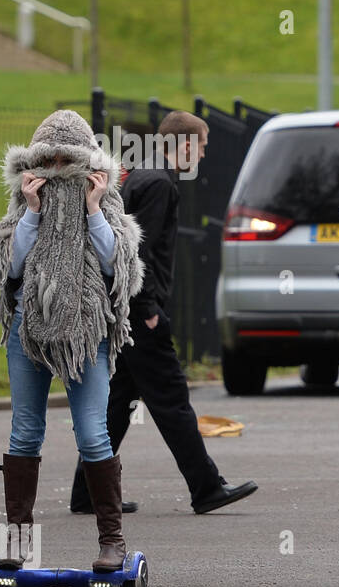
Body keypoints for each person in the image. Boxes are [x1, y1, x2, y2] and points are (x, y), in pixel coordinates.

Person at [68, 111, 258, 516]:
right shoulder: (158, 183)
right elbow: (140, 251)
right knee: (172, 400)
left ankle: (87, 492)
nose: (203, 155)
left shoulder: (146, 174)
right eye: (202, 146)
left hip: (123, 310)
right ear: (184, 144)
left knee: (118, 403)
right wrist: (149, 308)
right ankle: (206, 488)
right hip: (140, 314)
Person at [0, 108, 145, 572]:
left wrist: (93, 209)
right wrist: (31, 214)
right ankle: (16, 541)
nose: (57, 169)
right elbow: (10, 272)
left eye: (65, 159)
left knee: (93, 433)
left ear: (84, 158)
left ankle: (111, 541)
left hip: (86, 329)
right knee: (25, 431)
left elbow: (120, 271)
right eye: (48, 160)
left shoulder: (106, 199)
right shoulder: (24, 201)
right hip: (28, 328)